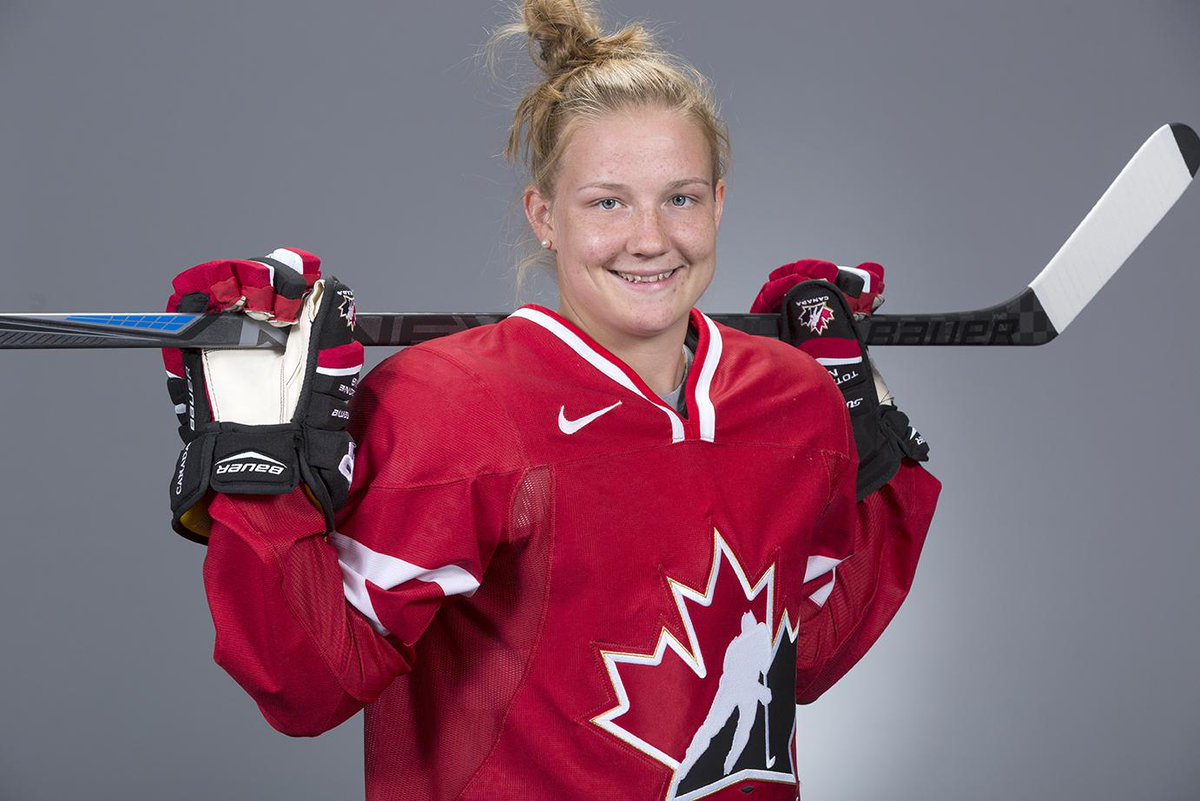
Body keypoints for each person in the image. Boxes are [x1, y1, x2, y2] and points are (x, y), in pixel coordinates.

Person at [161, 0, 940, 798]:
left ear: (719, 203)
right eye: (607, 201)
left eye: (680, 198)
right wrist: (254, 463)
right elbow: (310, 682)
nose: (650, 238)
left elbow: (805, 654)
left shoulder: (794, 398)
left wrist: (874, 443)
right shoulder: (451, 407)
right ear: (544, 217)